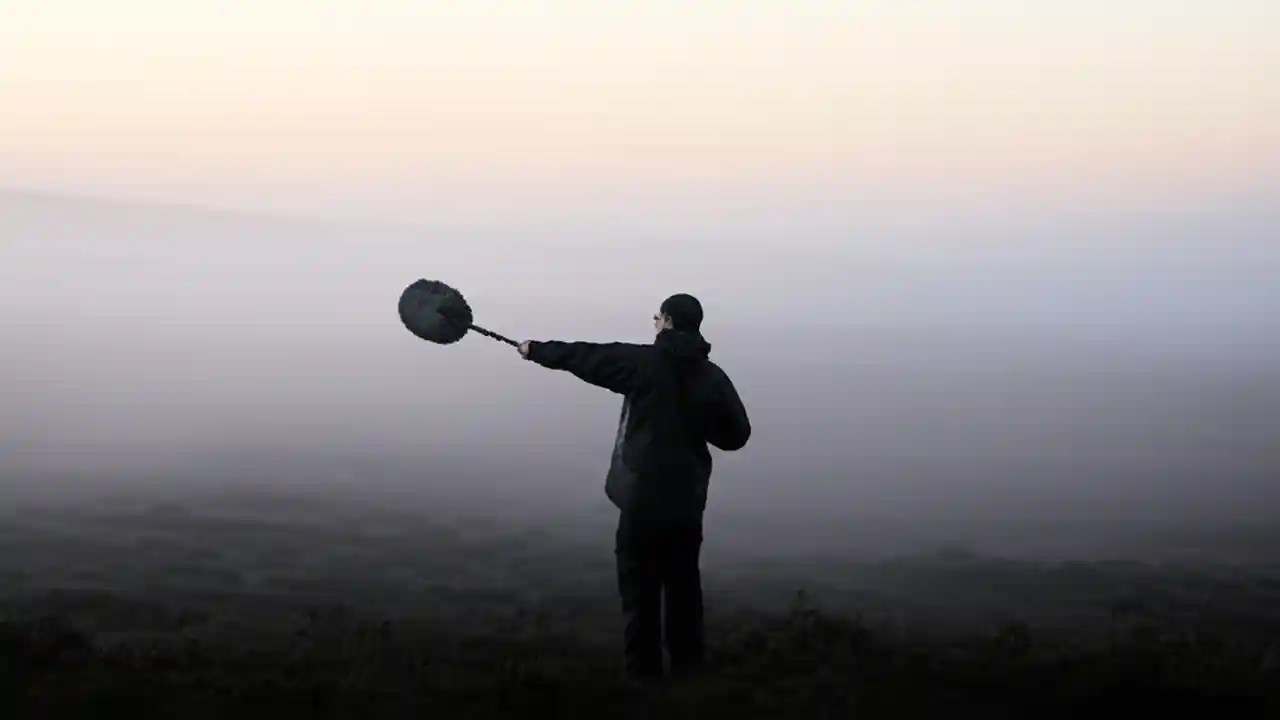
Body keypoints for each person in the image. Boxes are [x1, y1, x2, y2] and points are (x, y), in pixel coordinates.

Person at [518, 293, 751, 680]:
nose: (655, 323)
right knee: (683, 589)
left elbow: (586, 357)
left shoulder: (640, 364)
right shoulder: (713, 377)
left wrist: (534, 350)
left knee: (639, 593)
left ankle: (644, 684)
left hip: (641, 498)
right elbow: (736, 435)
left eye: (657, 318)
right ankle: (689, 682)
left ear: (669, 321)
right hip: (686, 501)